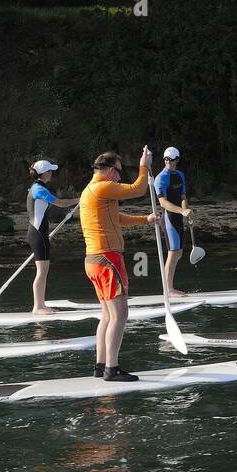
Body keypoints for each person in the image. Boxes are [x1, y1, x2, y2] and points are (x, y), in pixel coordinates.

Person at [80, 147, 160, 381]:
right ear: (105, 169)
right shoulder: (102, 187)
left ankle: (101, 365)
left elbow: (117, 220)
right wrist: (144, 164)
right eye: (117, 171)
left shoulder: (92, 192)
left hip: (94, 260)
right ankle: (112, 370)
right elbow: (139, 189)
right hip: (107, 259)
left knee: (107, 315)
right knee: (120, 315)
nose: (118, 176)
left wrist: (145, 219)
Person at [26, 159, 79, 314]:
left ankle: (41, 305)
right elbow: (61, 203)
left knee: (44, 271)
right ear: (44, 173)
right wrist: (80, 199)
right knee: (41, 271)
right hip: (37, 233)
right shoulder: (38, 189)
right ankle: (37, 307)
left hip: (39, 233)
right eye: (49, 171)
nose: (51, 174)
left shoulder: (39, 187)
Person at [154, 146, 191, 297]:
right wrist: (181, 211)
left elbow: (183, 197)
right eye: (166, 159)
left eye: (171, 159)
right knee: (173, 253)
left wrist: (186, 211)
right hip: (168, 219)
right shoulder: (160, 178)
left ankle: (169, 287)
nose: (168, 162)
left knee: (178, 253)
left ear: (177, 160)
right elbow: (162, 202)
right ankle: (168, 290)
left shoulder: (180, 175)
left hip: (178, 218)